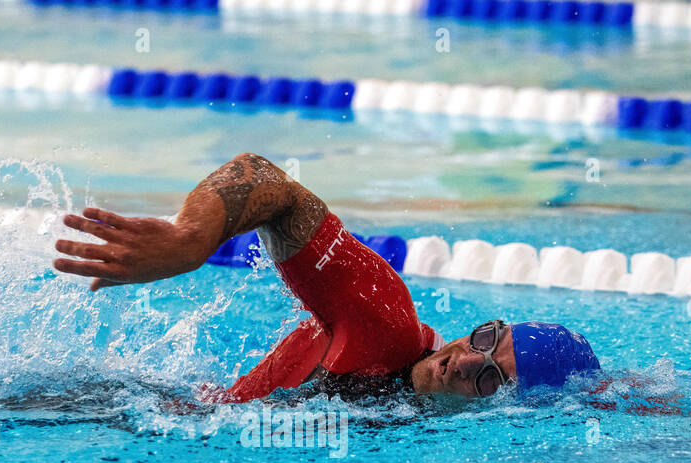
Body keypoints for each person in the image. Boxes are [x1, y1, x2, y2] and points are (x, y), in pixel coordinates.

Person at [53, 153, 600, 402]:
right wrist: (191, 240)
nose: (465, 360)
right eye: (486, 341)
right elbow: (271, 183)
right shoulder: (382, 318)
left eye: (490, 380)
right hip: (126, 409)